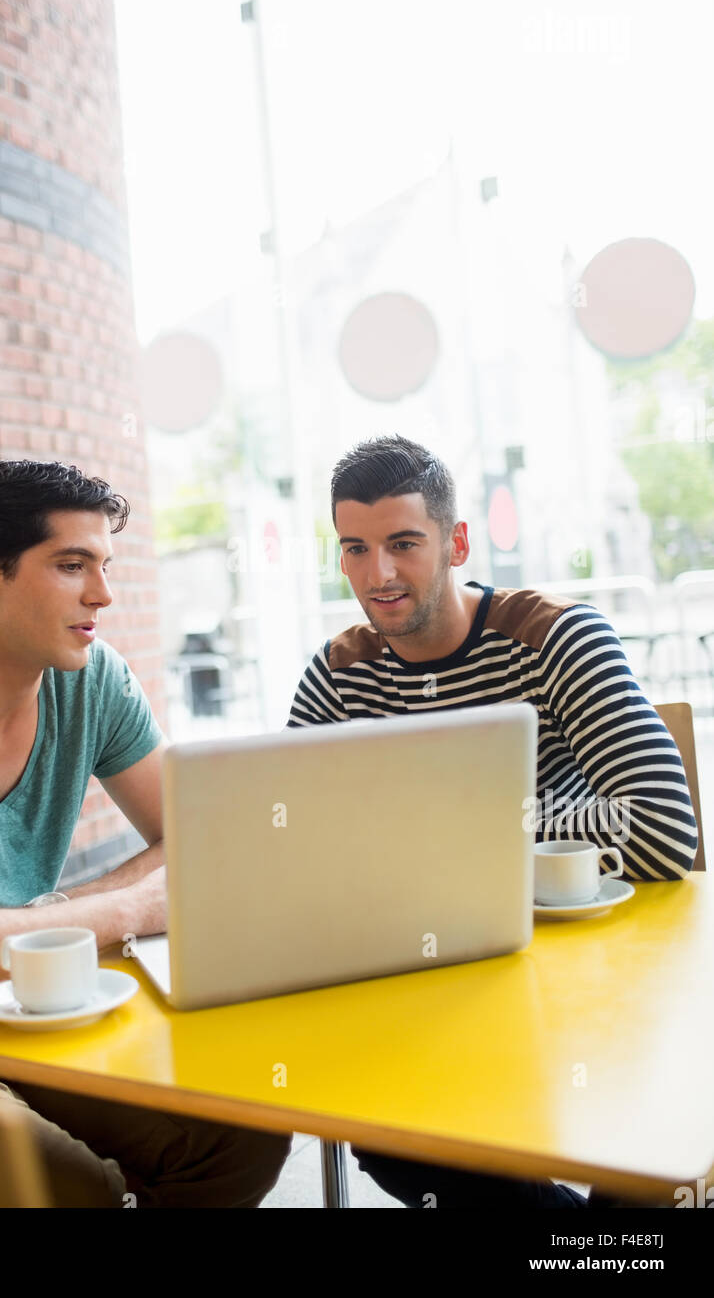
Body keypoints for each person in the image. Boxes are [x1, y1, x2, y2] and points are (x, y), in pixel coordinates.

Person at [0, 459, 291, 1208]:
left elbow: (204, 838)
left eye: (105, 565)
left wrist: (54, 919)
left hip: (13, 1011)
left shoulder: (90, 677)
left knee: (238, 1128)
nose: (104, 593)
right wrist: (124, 911)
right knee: (76, 1189)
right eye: (71, 565)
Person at [286, 434, 698, 1209]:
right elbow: (285, 843)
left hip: (585, 981)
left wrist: (455, 824)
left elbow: (662, 828)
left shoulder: (555, 638)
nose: (378, 575)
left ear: (457, 541)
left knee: (646, 1165)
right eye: (356, 549)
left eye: (404, 544)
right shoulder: (339, 675)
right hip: (429, 989)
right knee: (384, 1125)